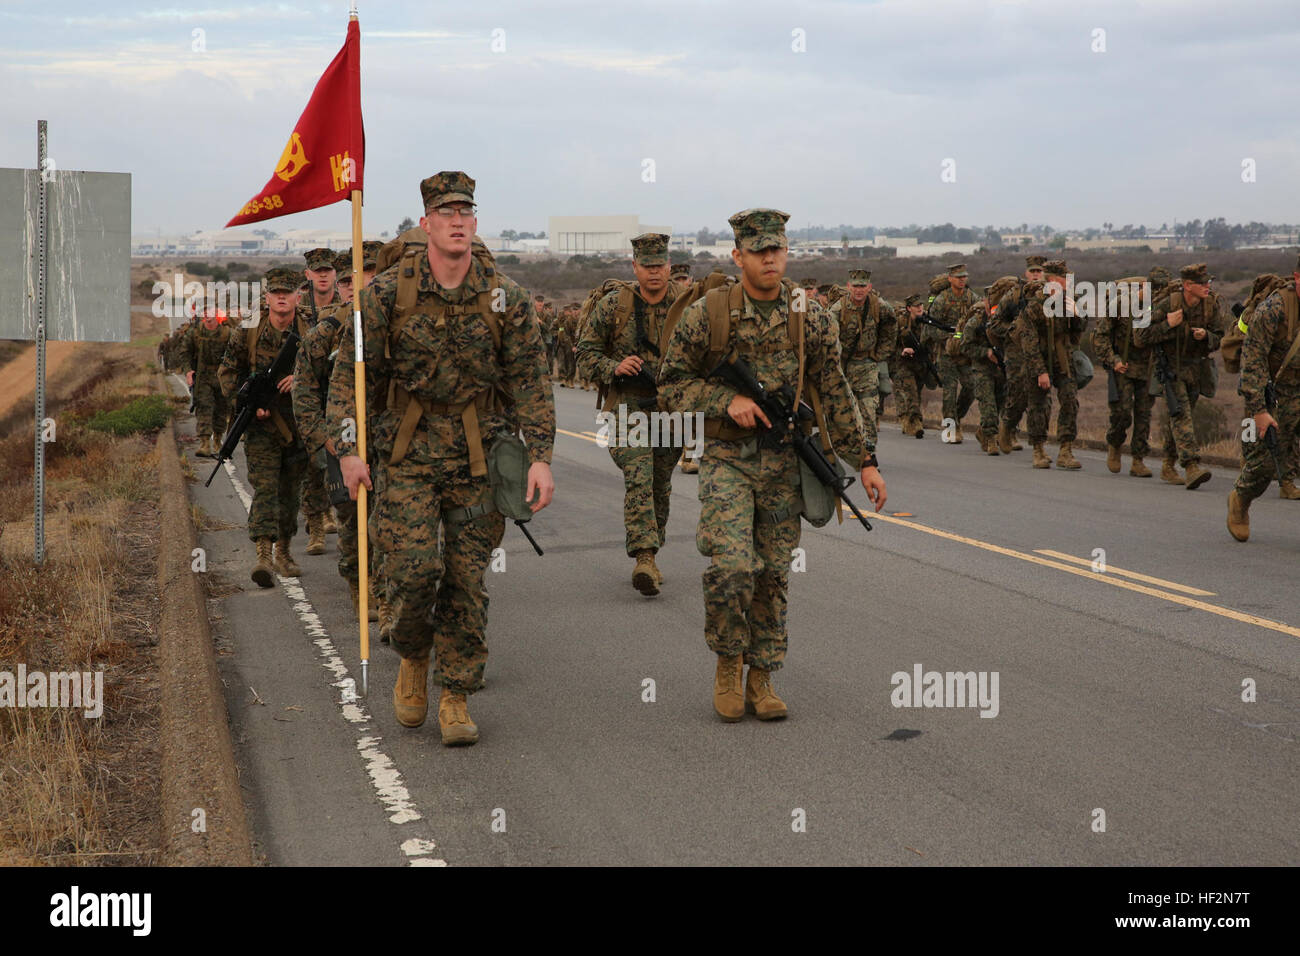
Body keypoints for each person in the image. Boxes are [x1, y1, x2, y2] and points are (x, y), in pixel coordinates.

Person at [327, 171, 555, 747]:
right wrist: (350, 450)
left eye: (466, 213)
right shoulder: (383, 297)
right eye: (446, 213)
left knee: (465, 580)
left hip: (481, 455)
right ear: (425, 225)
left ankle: (455, 695)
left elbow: (531, 380)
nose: (457, 221)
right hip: (407, 453)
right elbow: (349, 379)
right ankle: (413, 654)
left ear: (474, 225)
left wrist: (541, 457)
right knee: (411, 573)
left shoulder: (507, 297)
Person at [658, 208, 885, 723]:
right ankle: (727, 661)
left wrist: (865, 460)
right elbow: (671, 385)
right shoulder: (710, 312)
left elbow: (835, 390)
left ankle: (761, 676)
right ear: (737, 255)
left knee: (774, 575)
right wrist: (725, 402)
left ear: (787, 252)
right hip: (727, 462)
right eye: (758, 250)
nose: (769, 258)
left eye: (777, 249)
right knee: (733, 566)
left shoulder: (811, 315)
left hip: (787, 463)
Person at [575, 234, 680, 595]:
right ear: (634, 267)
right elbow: (584, 353)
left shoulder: (685, 306)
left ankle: (654, 550)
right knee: (640, 471)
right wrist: (614, 366)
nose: (654, 272)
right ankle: (644, 557)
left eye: (660, 265)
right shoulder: (614, 306)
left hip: (671, 408)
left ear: (669, 267)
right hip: (626, 407)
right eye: (646, 266)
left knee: (660, 484)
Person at [218, 266, 310, 586]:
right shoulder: (249, 330)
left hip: (300, 422)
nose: (282, 298)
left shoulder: (311, 330)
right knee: (266, 487)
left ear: (298, 296)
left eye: (288, 292)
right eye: (276, 293)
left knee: (290, 491)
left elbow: (331, 370)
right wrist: (246, 403)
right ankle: (264, 555)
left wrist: (301, 380)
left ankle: (284, 550)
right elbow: (228, 373)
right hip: (261, 427)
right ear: (267, 296)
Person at [1132, 263, 1223, 489]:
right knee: (1181, 413)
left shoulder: (1210, 305)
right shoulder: (1167, 304)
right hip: (1171, 369)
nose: (1207, 287)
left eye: (1208, 282)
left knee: (1182, 417)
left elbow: (1221, 336)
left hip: (1195, 370)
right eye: (1202, 283)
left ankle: (1168, 464)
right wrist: (1167, 325)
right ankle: (1191, 466)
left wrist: (1207, 337)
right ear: (1187, 285)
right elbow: (1139, 336)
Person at [1227, 255, 1300, 539]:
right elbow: (1252, 360)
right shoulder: (1274, 308)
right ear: (1296, 279)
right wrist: (1258, 409)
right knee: (1265, 465)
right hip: (1272, 396)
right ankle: (1240, 501)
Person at [1010, 260, 1084, 469]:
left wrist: (1076, 315)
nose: (1068, 281)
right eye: (1064, 278)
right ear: (1052, 280)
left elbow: (1078, 333)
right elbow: (1028, 342)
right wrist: (1041, 371)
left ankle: (1065, 450)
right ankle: (1038, 449)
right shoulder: (1035, 305)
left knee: (1070, 401)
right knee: (1038, 407)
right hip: (1038, 360)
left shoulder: (1069, 300)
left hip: (1063, 359)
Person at [826, 269, 896, 443]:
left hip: (867, 365)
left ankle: (870, 452)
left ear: (869, 287)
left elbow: (891, 326)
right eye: (856, 286)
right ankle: (842, 449)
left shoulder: (879, 306)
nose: (859, 290)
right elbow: (829, 336)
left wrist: (880, 353)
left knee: (869, 411)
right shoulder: (838, 308)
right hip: (844, 367)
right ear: (849, 286)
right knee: (841, 414)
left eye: (863, 286)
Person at [925, 263, 978, 442]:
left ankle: (956, 418)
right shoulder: (941, 300)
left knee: (971, 387)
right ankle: (950, 430)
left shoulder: (972, 298)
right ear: (950, 279)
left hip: (964, 353)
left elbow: (978, 320)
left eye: (964, 277)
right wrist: (948, 339)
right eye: (958, 277)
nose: (962, 280)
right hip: (946, 353)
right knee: (949, 391)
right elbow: (931, 328)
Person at [185, 301, 239, 457]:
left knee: (221, 410)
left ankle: (217, 439)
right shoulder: (195, 333)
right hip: (203, 377)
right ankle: (204, 443)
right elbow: (185, 352)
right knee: (204, 408)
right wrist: (188, 371)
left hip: (222, 378)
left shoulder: (227, 333)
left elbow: (236, 354)